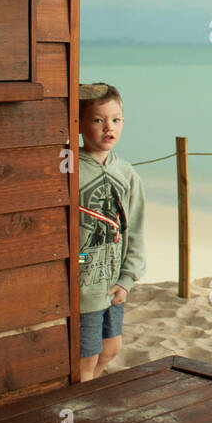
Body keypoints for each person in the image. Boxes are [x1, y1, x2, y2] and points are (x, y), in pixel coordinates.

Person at [77, 82, 146, 381]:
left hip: (113, 283)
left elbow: (136, 230)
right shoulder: (69, 169)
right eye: (97, 120)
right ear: (78, 123)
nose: (109, 127)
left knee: (111, 348)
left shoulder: (127, 173)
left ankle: (89, 389)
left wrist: (128, 278)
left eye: (115, 120)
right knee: (85, 358)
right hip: (84, 288)